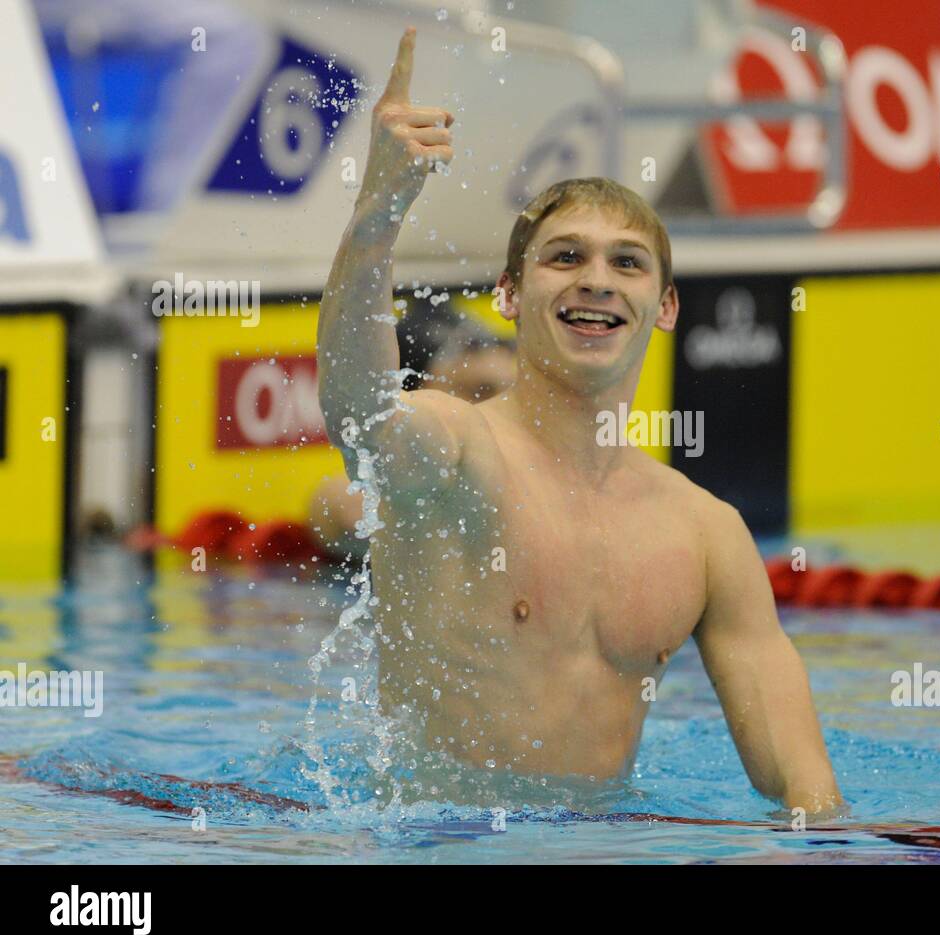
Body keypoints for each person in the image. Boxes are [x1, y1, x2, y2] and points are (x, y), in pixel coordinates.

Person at [316, 28, 842, 816]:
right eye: (565, 258)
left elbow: (803, 789)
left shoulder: (707, 536)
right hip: (439, 847)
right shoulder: (459, 451)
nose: (596, 281)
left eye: (627, 263)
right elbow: (361, 411)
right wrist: (378, 208)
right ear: (507, 294)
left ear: (664, 307)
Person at [309, 307, 515, 560]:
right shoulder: (356, 496)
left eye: (510, 393)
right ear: (409, 398)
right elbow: (337, 508)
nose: (497, 408)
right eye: (479, 390)